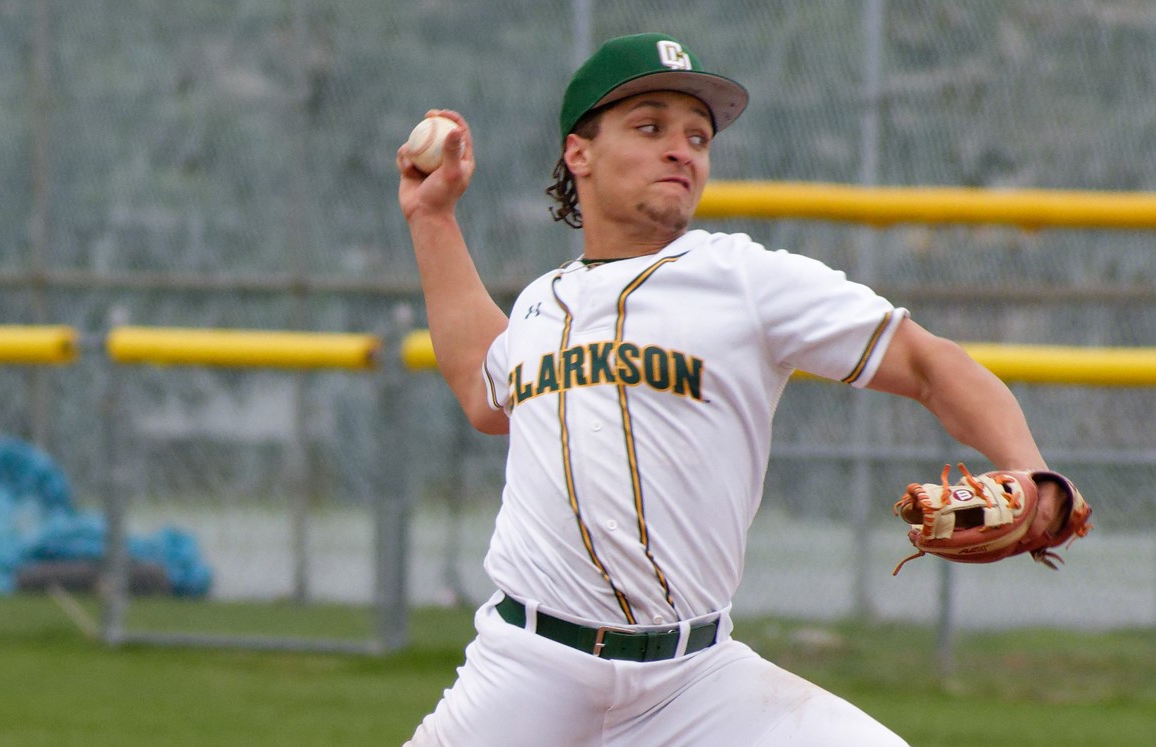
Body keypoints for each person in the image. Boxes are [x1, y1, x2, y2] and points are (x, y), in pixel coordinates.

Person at [397, 31, 1063, 747]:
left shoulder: (746, 278)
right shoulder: (539, 303)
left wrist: (1031, 468)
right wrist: (432, 217)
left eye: (697, 136)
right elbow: (479, 385)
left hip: (694, 682)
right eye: (650, 127)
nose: (681, 149)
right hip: (528, 673)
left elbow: (929, 363)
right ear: (578, 153)